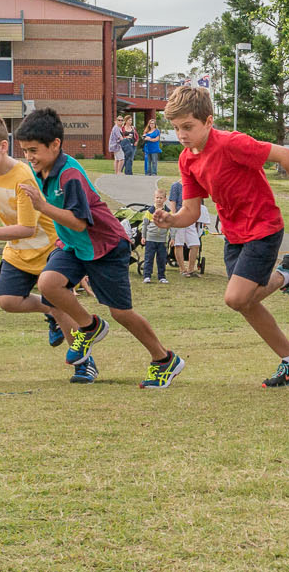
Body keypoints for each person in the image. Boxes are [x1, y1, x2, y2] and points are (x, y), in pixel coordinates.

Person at [153, 86, 289, 387]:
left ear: (208, 121)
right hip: (234, 234)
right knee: (243, 303)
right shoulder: (186, 160)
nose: (182, 134)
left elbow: (284, 155)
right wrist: (171, 221)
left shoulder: (232, 143)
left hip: (263, 227)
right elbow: (191, 211)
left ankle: (285, 275)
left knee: (236, 297)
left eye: (188, 127)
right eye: (177, 128)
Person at [15, 109, 180, 386]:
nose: (29, 157)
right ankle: (90, 326)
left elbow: (80, 223)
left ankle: (164, 360)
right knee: (48, 284)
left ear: (55, 144)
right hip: (74, 247)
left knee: (121, 313)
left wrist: (43, 207)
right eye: (25, 151)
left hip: (105, 246)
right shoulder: (42, 167)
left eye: (33, 150)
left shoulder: (70, 175)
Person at [0, 115, 87, 364]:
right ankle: (49, 312)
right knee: (7, 300)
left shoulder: (24, 177)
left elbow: (27, 228)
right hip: (18, 249)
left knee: (59, 305)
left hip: (48, 249)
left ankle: (83, 363)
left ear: (3, 146)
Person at [166, 181, 204, 277]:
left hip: (190, 219)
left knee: (195, 244)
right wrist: (173, 219)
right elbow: (173, 204)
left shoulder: (193, 185)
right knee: (179, 244)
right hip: (179, 217)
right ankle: (182, 269)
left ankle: (191, 269)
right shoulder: (176, 186)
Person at [139, 190, 172, 284]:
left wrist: (172, 238)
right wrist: (143, 236)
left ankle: (161, 277)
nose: (159, 200)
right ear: (154, 198)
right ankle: (147, 276)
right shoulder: (150, 211)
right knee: (149, 258)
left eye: (161, 198)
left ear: (165, 199)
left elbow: (172, 226)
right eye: (157, 197)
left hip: (162, 240)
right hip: (150, 239)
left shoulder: (168, 212)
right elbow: (145, 225)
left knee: (162, 259)